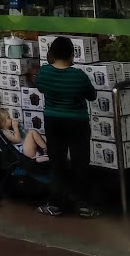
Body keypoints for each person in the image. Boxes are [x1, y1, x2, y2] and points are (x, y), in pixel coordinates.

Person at [35, 36, 97, 218]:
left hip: (53, 120)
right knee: (80, 161)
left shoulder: (44, 72)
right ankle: (83, 204)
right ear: (72, 54)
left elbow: (39, 86)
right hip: (77, 121)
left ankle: (56, 203)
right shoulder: (78, 75)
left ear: (52, 53)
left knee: (57, 161)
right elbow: (92, 95)